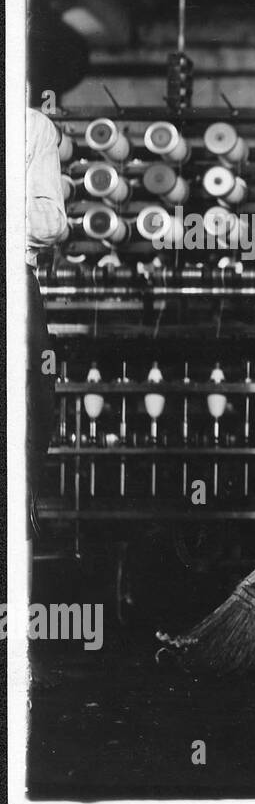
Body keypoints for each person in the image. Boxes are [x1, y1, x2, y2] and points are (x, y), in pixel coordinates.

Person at [26, 106, 69, 532]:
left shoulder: (32, 126)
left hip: (14, 279)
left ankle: (22, 506)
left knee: (33, 401)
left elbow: (53, 223)